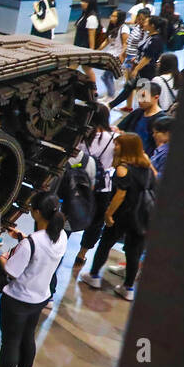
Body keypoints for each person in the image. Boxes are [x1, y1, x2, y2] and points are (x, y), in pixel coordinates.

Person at [0, 192, 69, 367]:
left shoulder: (32, 243)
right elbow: (41, 249)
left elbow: (11, 271)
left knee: (10, 340)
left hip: (17, 299)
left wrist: (3, 258)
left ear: (36, 213)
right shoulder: (60, 236)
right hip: (39, 297)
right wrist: (22, 238)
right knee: (28, 337)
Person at [79, 133, 153, 301]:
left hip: (122, 214)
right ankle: (128, 287)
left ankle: (94, 276)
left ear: (126, 147)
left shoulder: (122, 169)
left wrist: (109, 213)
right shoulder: (146, 163)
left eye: (118, 144)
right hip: (141, 215)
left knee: (105, 243)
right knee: (134, 252)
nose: (115, 146)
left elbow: (120, 195)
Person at [73, 103, 117, 267]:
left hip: (79, 183)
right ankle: (82, 254)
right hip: (102, 186)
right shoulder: (114, 139)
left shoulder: (81, 136)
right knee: (96, 223)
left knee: (71, 213)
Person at [111, 14, 167, 110]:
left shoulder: (156, 40)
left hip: (147, 72)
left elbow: (148, 58)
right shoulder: (149, 36)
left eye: (146, 22)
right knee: (129, 88)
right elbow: (143, 53)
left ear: (152, 25)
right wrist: (136, 59)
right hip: (142, 69)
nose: (144, 24)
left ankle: (145, 112)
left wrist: (136, 69)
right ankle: (112, 106)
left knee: (141, 93)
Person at [118, 87, 162, 155]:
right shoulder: (138, 112)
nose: (140, 100)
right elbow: (119, 127)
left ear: (156, 97)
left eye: (144, 96)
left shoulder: (160, 119)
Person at [97, 10, 128, 97]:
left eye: (115, 16)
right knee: (107, 76)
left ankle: (111, 95)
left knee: (106, 76)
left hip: (117, 57)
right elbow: (107, 41)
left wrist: (122, 55)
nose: (112, 18)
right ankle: (111, 94)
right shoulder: (113, 28)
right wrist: (97, 50)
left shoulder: (124, 29)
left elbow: (126, 43)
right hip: (110, 56)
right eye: (112, 15)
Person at [150, 116, 171, 180]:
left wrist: (148, 164)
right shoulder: (162, 148)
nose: (153, 135)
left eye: (156, 132)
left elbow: (160, 180)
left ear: (168, 133)